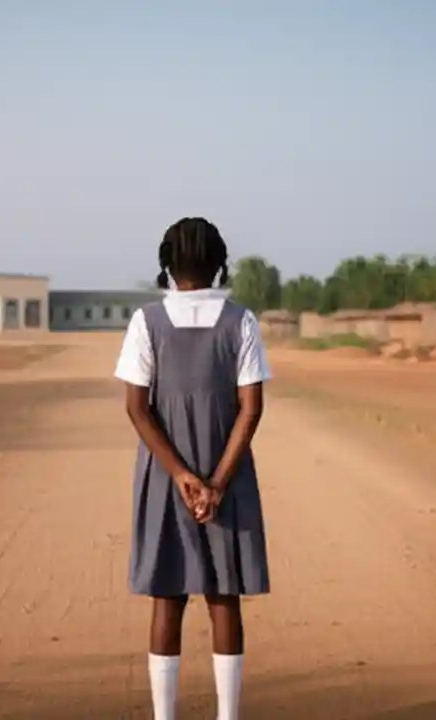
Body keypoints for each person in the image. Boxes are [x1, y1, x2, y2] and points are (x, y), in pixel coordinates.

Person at [114, 217, 272, 720]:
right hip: (229, 478)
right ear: (220, 263)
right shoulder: (241, 321)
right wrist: (218, 481)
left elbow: (137, 408)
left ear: (166, 265)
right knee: (224, 598)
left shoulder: (147, 322)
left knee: (168, 597)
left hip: (166, 479)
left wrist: (181, 475)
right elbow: (251, 407)